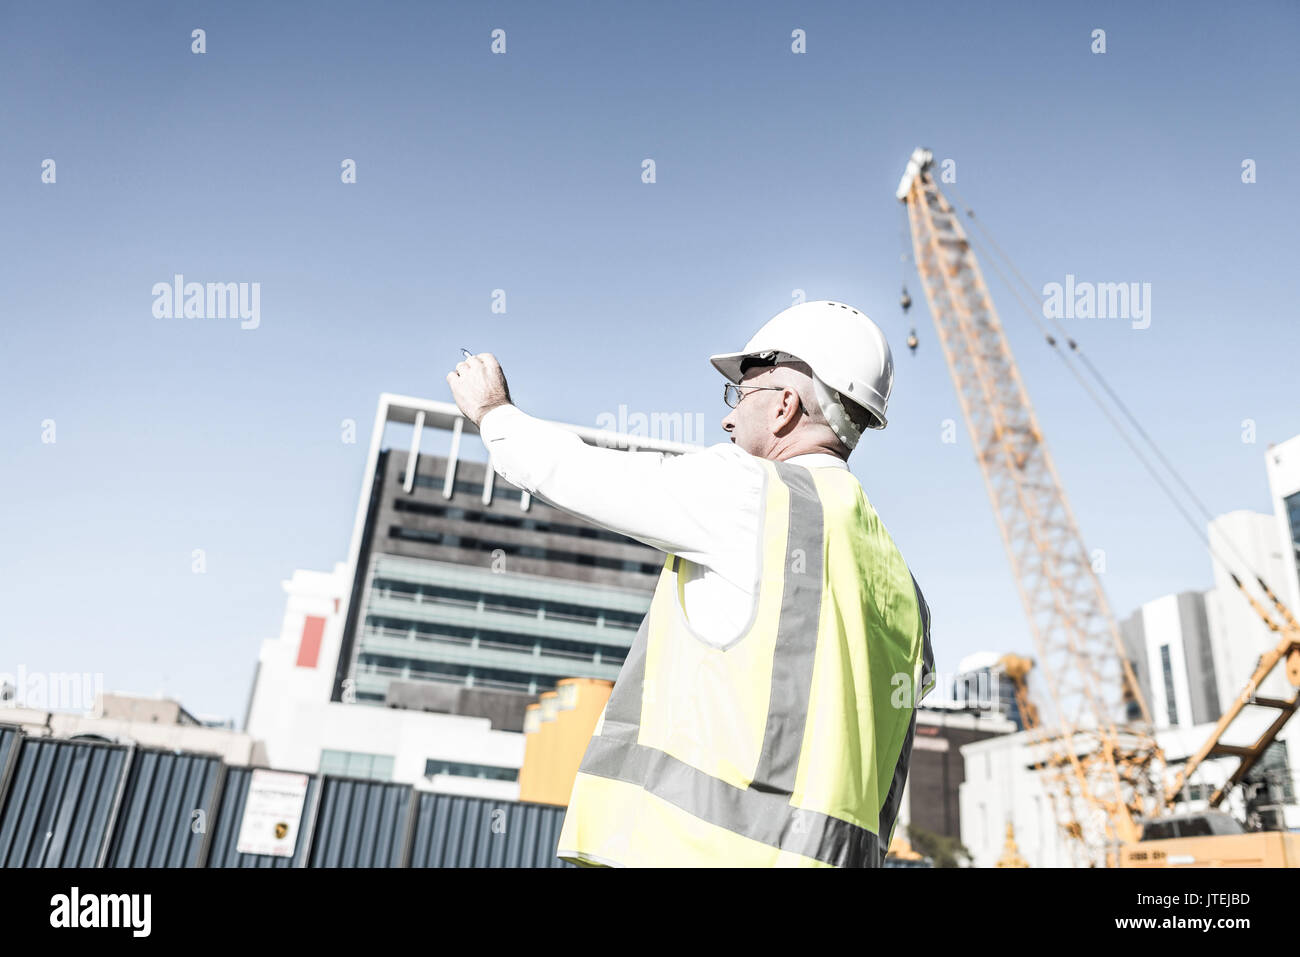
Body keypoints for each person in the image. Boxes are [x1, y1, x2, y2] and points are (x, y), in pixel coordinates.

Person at [446, 299, 935, 867]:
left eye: (740, 395)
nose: (728, 419)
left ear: (784, 406)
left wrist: (494, 413)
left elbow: (583, 475)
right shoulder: (904, 586)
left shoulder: (752, 493)